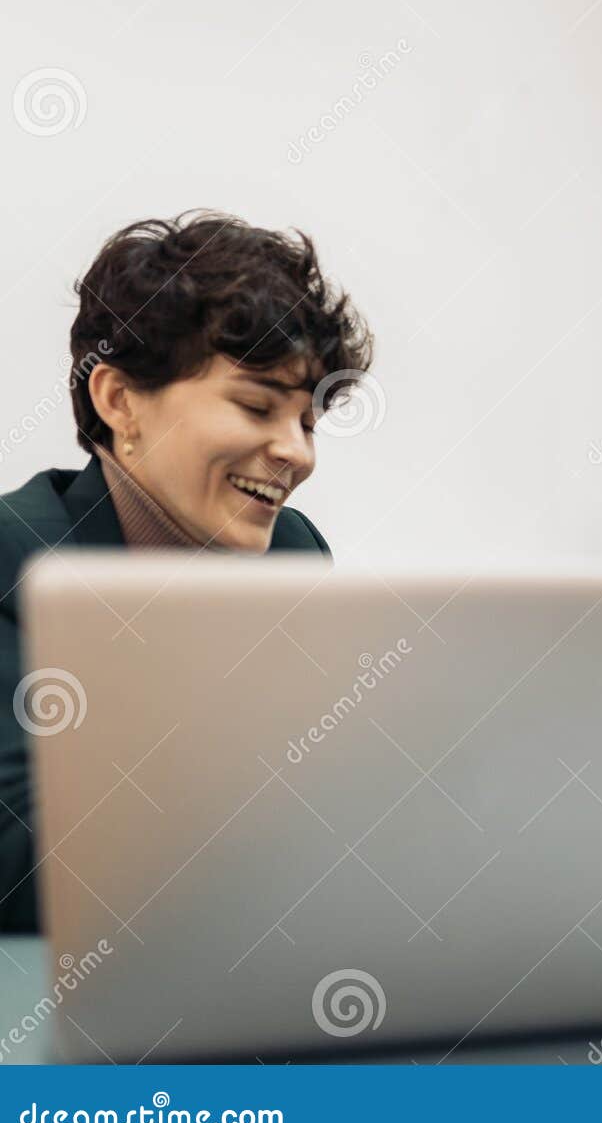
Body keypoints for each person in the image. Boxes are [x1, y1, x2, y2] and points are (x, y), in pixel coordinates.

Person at [0, 211, 373, 932]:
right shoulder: (16, 557)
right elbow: (20, 862)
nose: (297, 452)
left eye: (307, 422)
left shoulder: (296, 555)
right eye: (257, 405)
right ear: (118, 401)